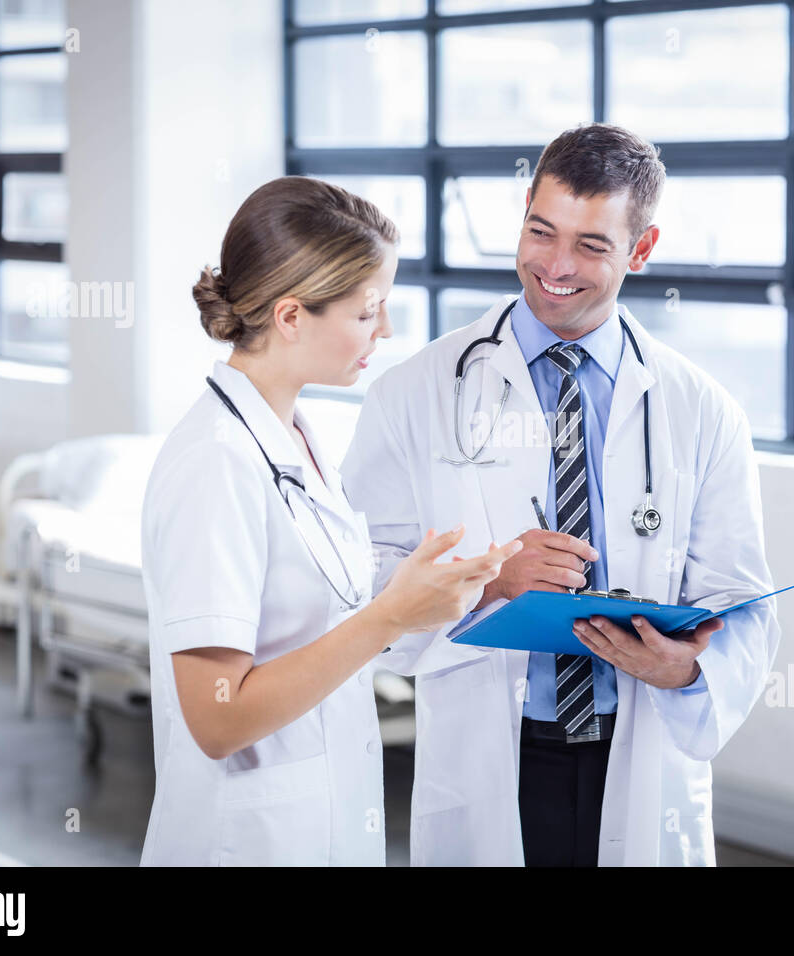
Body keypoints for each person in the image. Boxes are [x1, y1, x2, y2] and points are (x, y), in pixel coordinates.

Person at [341, 123, 780, 866]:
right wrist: (486, 580)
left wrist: (689, 670)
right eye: (541, 231)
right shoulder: (412, 393)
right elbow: (359, 578)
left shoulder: (700, 408)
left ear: (641, 250)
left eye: (591, 246)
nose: (555, 265)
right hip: (493, 744)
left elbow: (740, 596)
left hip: (639, 744)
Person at [138, 176, 519, 866]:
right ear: (290, 317)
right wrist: (389, 617)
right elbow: (218, 719)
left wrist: (431, 593)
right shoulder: (216, 464)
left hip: (321, 824)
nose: (387, 331)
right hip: (247, 841)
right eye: (368, 311)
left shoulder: (294, 440)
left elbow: (309, 625)